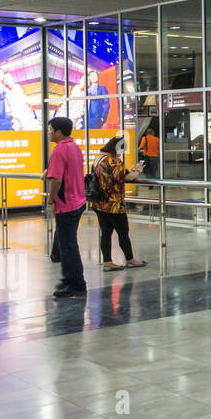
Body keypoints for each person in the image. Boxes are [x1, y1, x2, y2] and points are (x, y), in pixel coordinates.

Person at [44, 117, 88, 298]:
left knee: (68, 245)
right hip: (78, 201)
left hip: (66, 205)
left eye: (50, 130)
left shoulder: (59, 150)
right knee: (67, 244)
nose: (49, 133)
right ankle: (70, 278)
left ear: (59, 132)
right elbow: (61, 171)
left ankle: (76, 284)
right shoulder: (74, 147)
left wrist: (50, 200)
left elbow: (57, 179)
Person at [89, 135, 146, 270]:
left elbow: (116, 175)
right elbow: (129, 177)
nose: (122, 153)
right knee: (123, 232)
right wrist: (138, 169)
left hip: (100, 202)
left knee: (106, 233)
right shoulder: (112, 161)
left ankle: (108, 262)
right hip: (113, 204)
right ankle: (131, 259)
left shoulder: (99, 159)